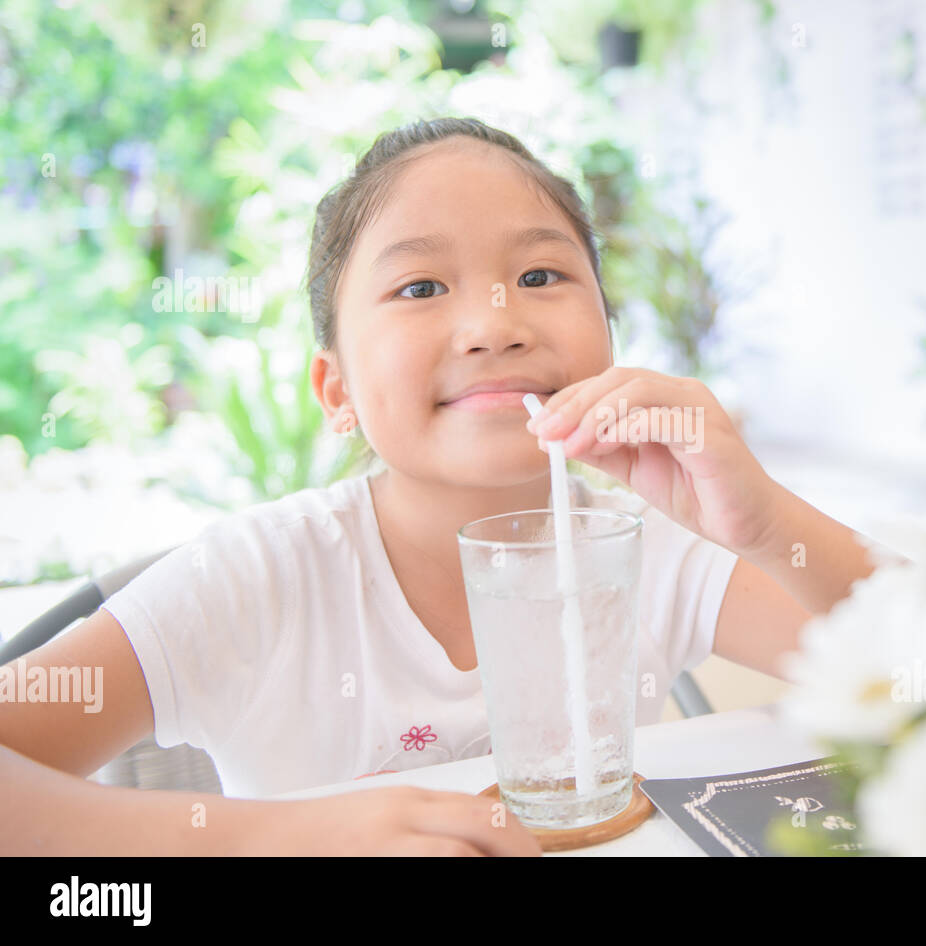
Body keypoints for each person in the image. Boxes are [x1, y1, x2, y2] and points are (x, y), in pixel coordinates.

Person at [0, 117, 878, 856]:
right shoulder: (255, 577)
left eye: (540, 276)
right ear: (335, 390)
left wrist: (763, 521)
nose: (495, 324)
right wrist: (276, 836)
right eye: (420, 285)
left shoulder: (647, 545)